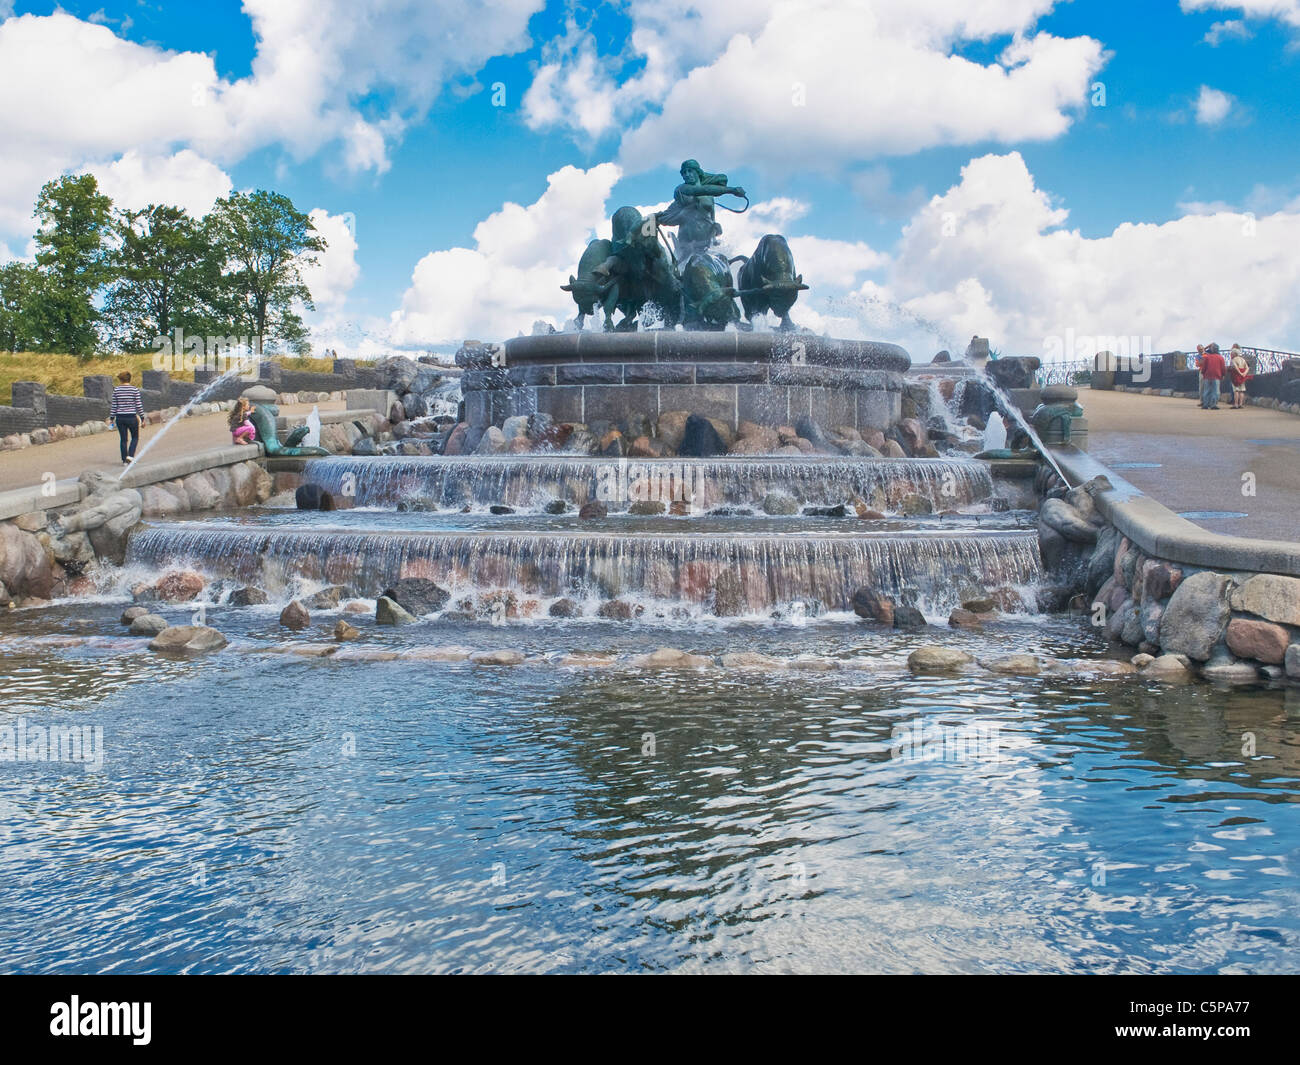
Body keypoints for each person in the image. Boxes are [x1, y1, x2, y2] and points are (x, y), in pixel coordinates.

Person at [108, 370, 145, 464]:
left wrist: (111, 419)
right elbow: (138, 405)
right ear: (130, 379)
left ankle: (124, 460)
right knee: (135, 437)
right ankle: (130, 456)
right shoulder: (134, 390)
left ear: (120, 380)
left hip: (120, 418)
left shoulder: (116, 390)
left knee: (123, 439)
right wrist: (142, 418)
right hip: (131, 417)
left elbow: (114, 406)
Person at [1199, 343, 1226, 409]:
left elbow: (1204, 367)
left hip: (1207, 376)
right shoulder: (1221, 358)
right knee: (1215, 391)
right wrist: (1223, 375)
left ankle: (1205, 404)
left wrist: (1203, 373)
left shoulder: (1207, 357)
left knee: (1207, 390)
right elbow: (1223, 368)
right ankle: (1213, 404)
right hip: (1216, 376)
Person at [1228, 344, 1252, 409]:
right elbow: (1247, 368)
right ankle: (1240, 404)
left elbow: (1235, 367)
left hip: (1236, 376)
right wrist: (1244, 373)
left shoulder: (1234, 359)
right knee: (1242, 390)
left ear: (1234, 353)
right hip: (1242, 377)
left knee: (1236, 391)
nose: (1231, 354)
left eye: (1232, 353)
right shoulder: (1243, 359)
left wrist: (1240, 373)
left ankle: (1236, 404)